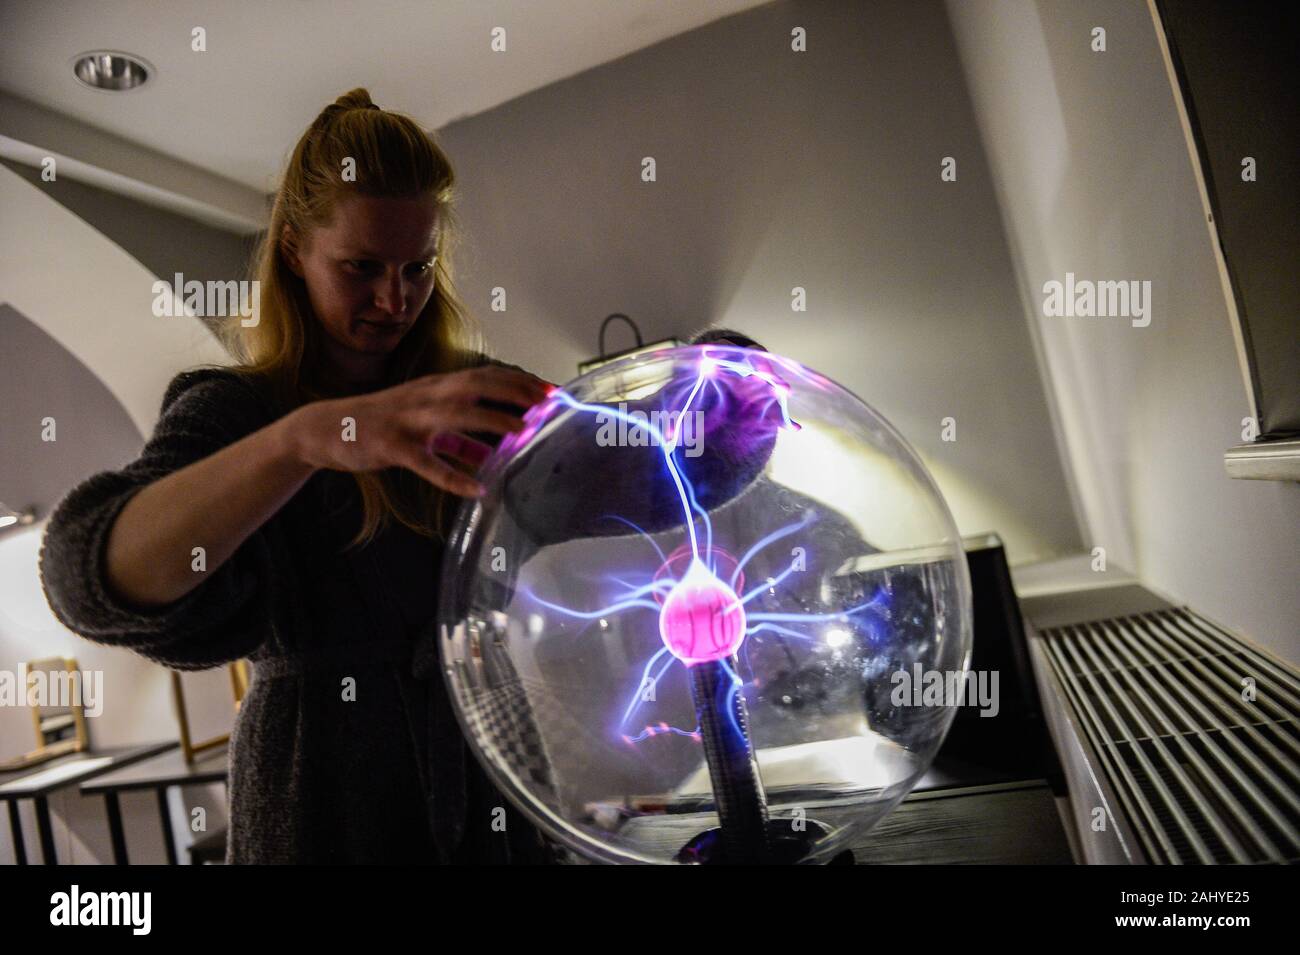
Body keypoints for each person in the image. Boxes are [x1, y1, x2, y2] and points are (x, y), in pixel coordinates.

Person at [37, 88, 558, 864]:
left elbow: (629, 471)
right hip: (321, 795)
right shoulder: (237, 409)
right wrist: (302, 441)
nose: (396, 298)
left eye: (418, 267)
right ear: (293, 249)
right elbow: (86, 575)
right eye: (362, 266)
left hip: (486, 771)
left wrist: (722, 401)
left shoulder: (469, 395)